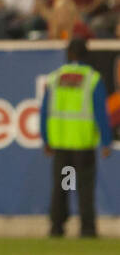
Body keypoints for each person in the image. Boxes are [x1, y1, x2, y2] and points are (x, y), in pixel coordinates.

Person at [40, 37, 114, 238]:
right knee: (85, 187)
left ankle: (57, 227)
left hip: (62, 145)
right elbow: (101, 112)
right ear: (85, 55)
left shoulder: (55, 78)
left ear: (68, 54)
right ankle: (87, 228)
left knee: (63, 186)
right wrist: (106, 141)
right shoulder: (92, 78)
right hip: (83, 144)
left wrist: (46, 139)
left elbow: (45, 111)